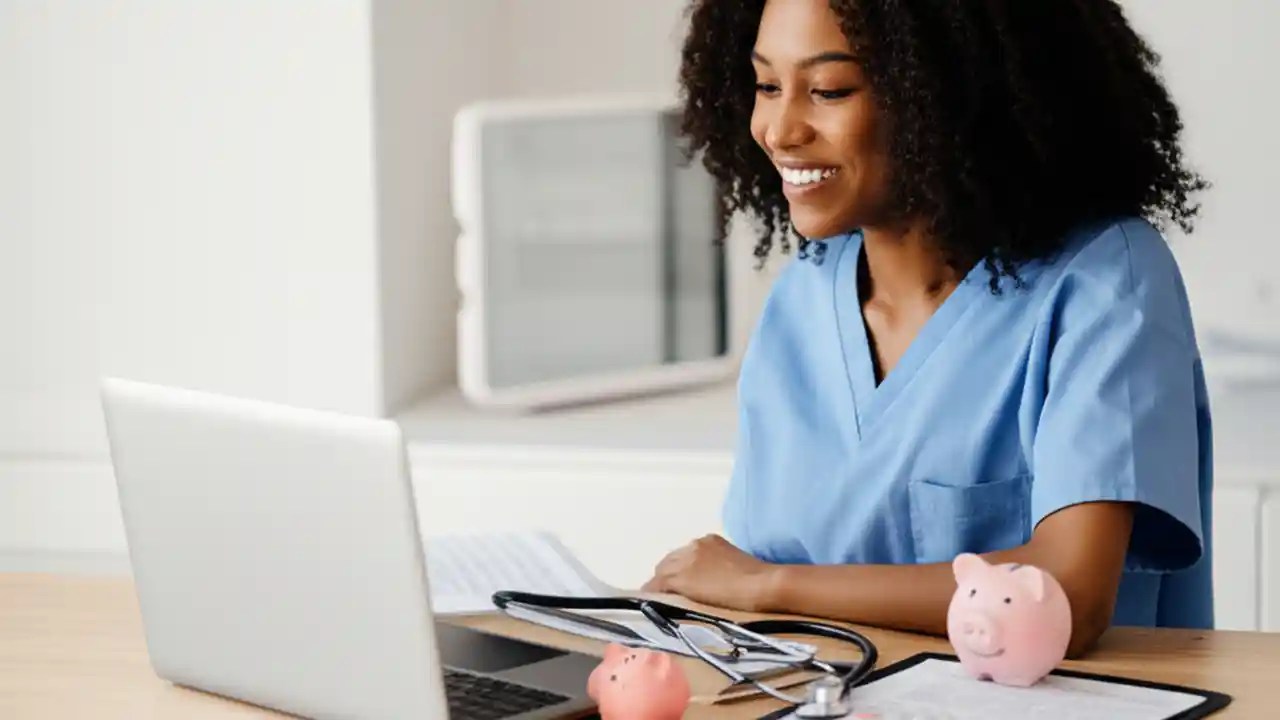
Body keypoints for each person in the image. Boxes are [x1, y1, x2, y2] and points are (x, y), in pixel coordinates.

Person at [642, 0, 1212, 658]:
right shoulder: (803, 296)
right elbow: (759, 580)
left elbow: (1068, 598)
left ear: (947, 96)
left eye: (828, 90)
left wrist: (770, 585)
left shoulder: (1106, 281)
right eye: (767, 85)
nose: (779, 128)